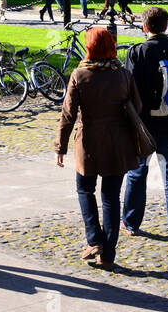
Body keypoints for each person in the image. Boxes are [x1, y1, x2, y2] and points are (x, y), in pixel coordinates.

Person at [56, 27, 144, 270]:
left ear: (90, 47)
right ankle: (108, 253)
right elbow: (137, 105)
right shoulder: (123, 74)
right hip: (118, 142)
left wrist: (60, 147)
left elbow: (68, 115)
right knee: (111, 197)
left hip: (89, 142)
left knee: (85, 190)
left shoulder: (80, 74)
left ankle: (94, 240)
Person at [122, 6, 168, 255]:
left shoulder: (138, 52)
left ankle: (131, 222)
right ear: (165, 26)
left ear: (145, 27)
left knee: (136, 174)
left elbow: (129, 91)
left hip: (144, 126)